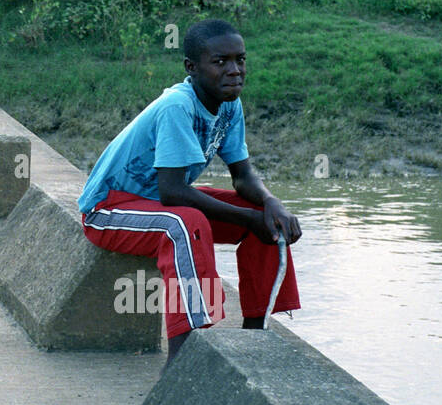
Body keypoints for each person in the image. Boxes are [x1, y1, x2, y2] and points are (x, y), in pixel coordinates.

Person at [77, 19, 302, 365]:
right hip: (108, 209)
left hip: (154, 202)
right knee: (184, 223)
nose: (234, 70)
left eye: (240, 60)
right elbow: (173, 193)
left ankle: (256, 335)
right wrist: (249, 217)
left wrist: (271, 204)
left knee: (268, 221)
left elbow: (242, 176)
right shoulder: (177, 107)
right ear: (191, 68)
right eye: (220, 62)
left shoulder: (229, 104)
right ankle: (184, 355)